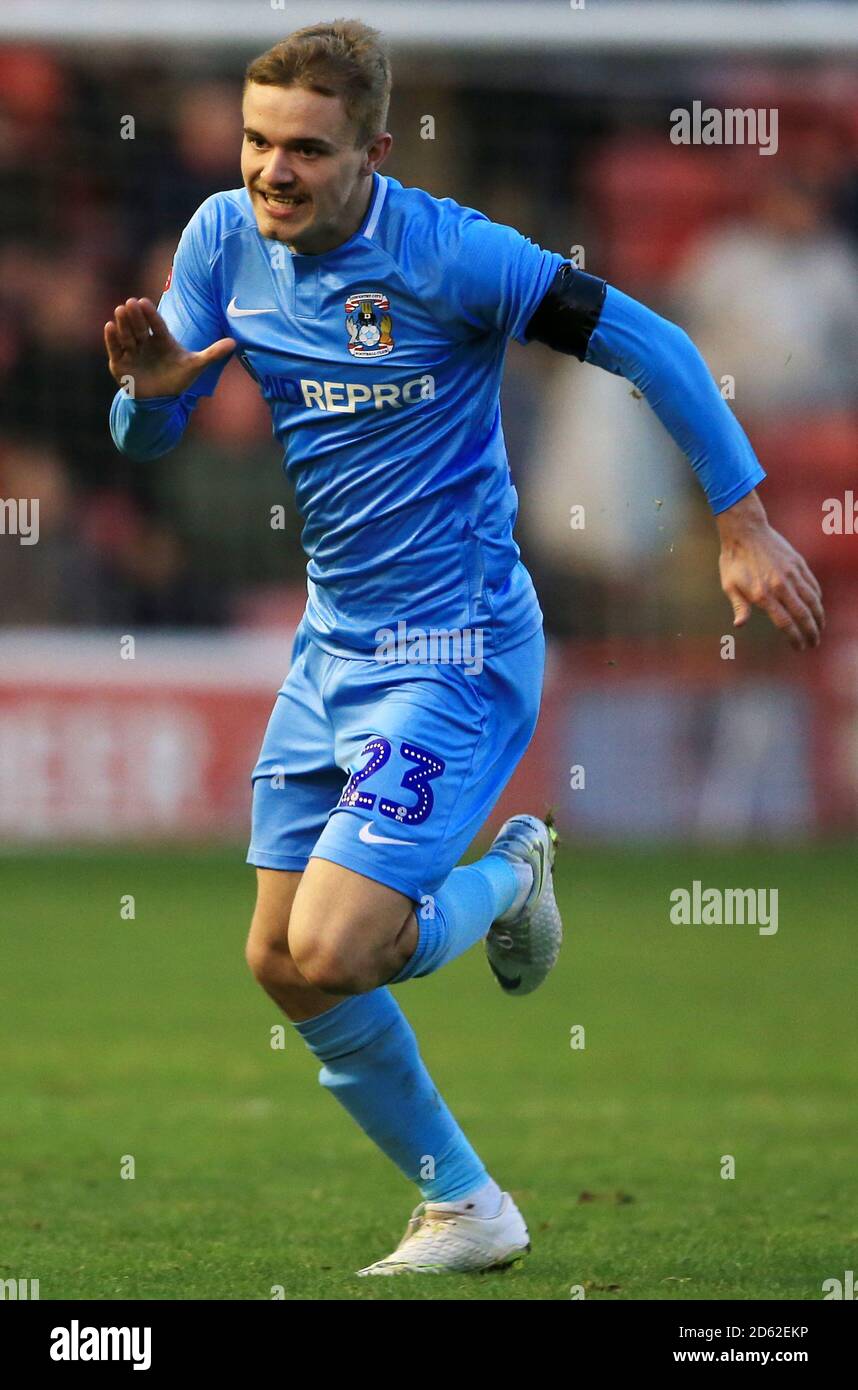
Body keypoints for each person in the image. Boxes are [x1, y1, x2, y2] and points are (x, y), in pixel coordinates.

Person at [106, 19, 824, 1276]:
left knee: (340, 943)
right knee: (281, 961)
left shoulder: (456, 257)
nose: (275, 170)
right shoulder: (222, 239)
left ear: (373, 151)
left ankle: (509, 876)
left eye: (309, 151)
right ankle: (469, 1207)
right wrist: (149, 396)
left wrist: (742, 519)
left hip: (458, 649)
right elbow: (145, 434)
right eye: (258, 141)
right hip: (335, 649)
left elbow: (649, 341)